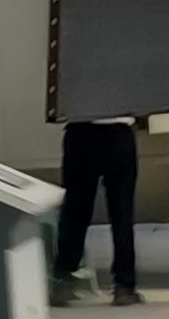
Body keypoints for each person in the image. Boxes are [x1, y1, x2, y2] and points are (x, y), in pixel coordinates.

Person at [47, 114, 144, 306]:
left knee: (75, 212)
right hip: (119, 133)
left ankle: (63, 280)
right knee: (122, 214)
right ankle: (124, 286)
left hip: (80, 132)